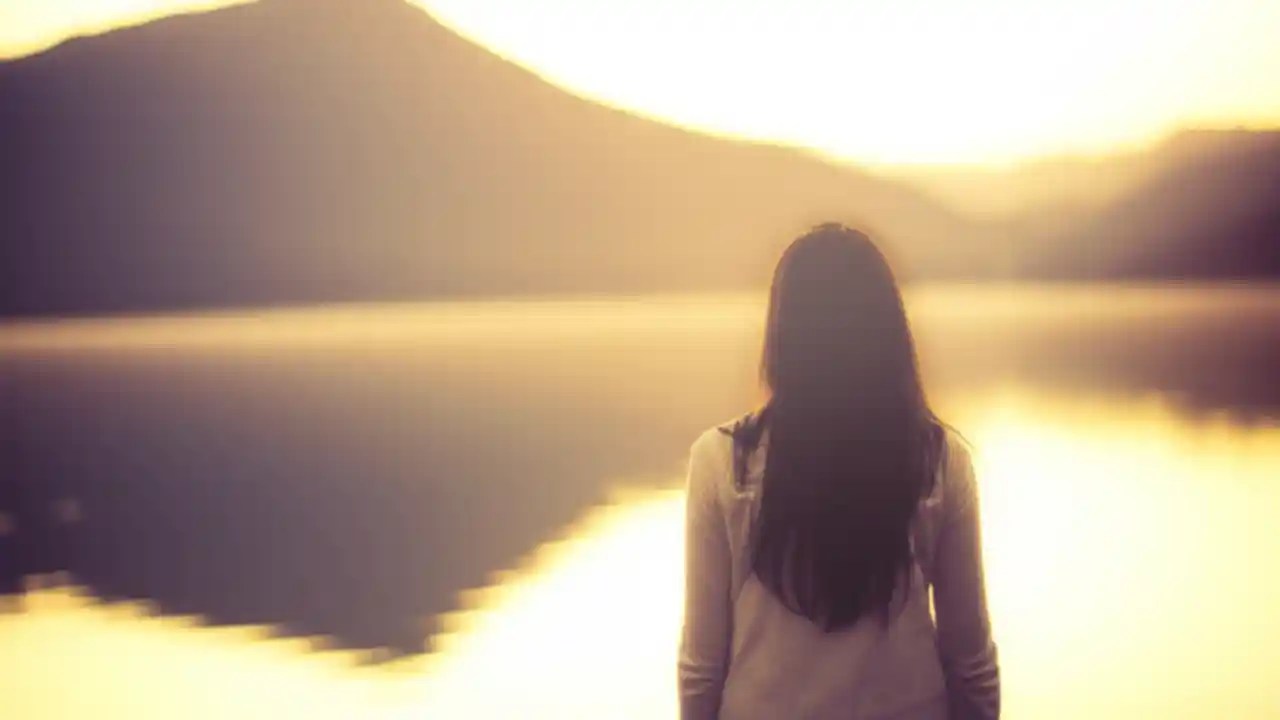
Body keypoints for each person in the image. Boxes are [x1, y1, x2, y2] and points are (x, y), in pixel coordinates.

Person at [678, 223, 999, 719]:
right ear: (888, 332)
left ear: (782, 332)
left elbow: (702, 669)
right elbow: (970, 665)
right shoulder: (938, 460)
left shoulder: (723, 462)